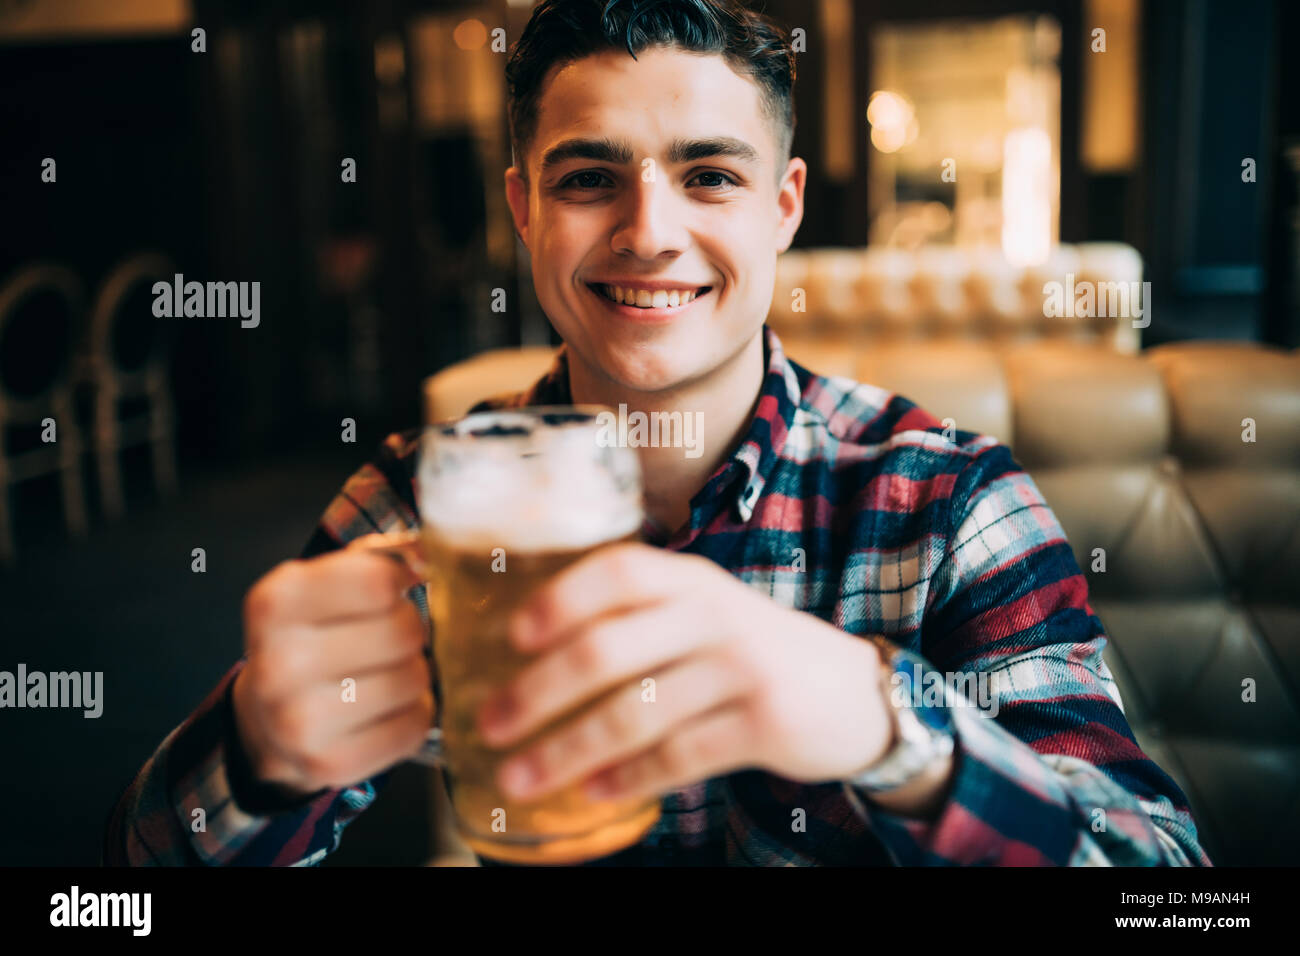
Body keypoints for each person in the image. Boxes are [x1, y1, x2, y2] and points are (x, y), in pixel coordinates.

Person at [104, 0, 1210, 867]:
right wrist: (257, 755)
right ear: (524, 210)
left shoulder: (949, 497)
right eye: (589, 179)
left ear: (781, 208)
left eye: (708, 175)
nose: (647, 231)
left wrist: (884, 726)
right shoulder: (431, 495)